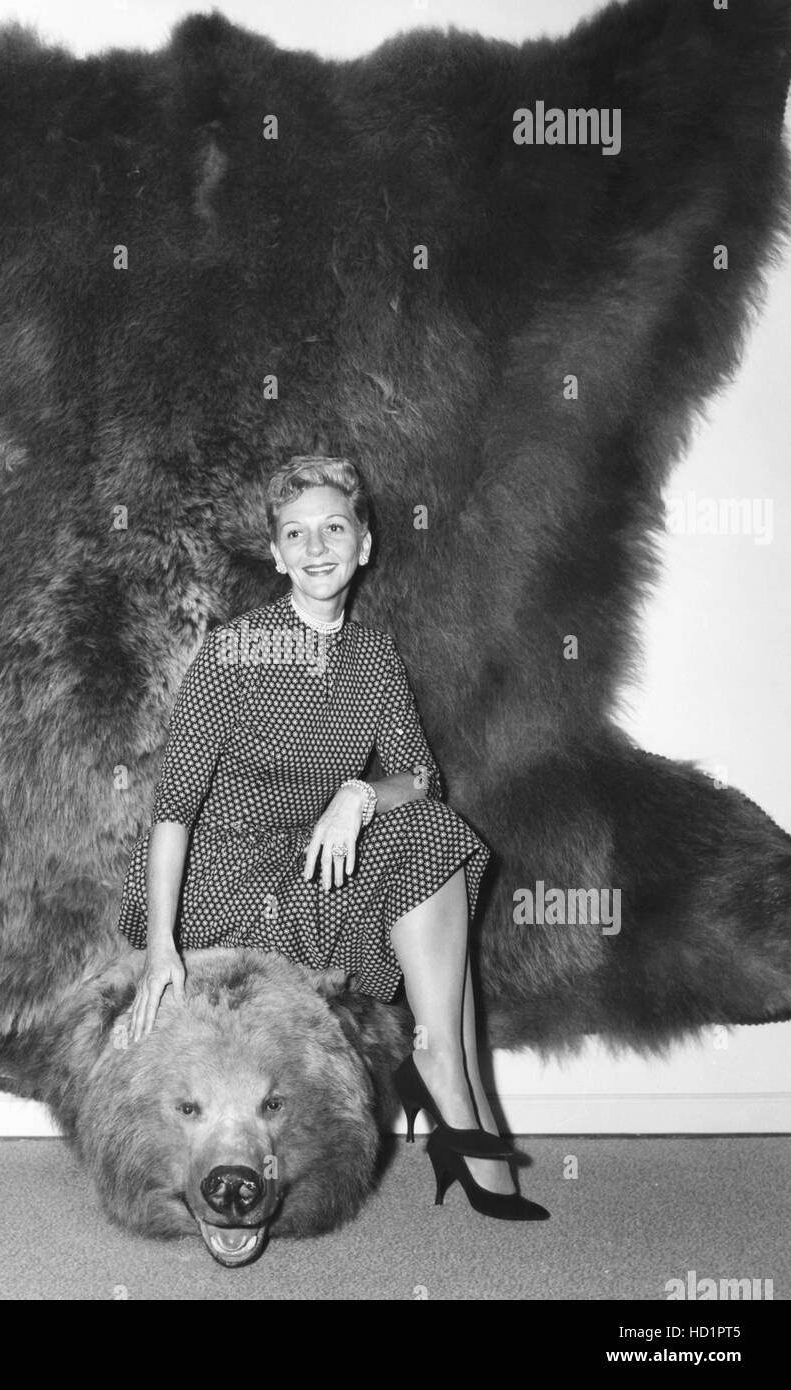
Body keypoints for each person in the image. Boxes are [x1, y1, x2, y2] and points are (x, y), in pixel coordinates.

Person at [116, 455, 548, 1220]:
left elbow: (421, 779)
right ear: (278, 555)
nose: (317, 547)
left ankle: (442, 1058)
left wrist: (357, 794)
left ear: (365, 544)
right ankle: (453, 1079)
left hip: (311, 873)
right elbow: (173, 810)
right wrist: (159, 950)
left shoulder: (374, 659)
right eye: (295, 533)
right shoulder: (233, 655)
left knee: (431, 831)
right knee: (432, 851)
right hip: (222, 892)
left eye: (334, 528)